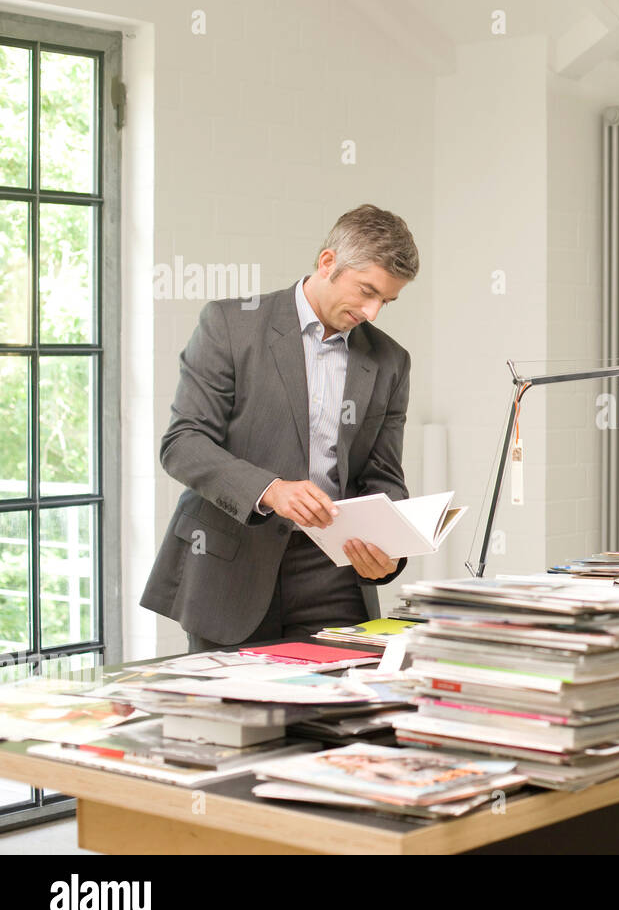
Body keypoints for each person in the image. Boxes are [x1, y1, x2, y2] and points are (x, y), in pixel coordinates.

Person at [141, 205, 419, 651]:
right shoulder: (230, 325)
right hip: (230, 567)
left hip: (334, 574)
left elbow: (383, 476)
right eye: (366, 291)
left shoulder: (390, 361)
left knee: (343, 714)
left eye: (385, 300)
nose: (372, 312)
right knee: (237, 718)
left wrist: (389, 553)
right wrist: (271, 490)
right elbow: (183, 443)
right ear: (328, 263)